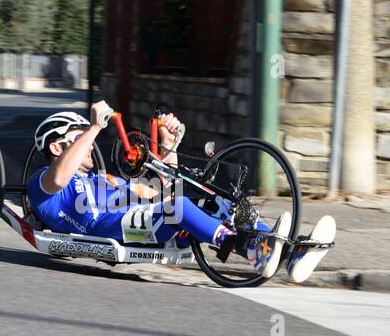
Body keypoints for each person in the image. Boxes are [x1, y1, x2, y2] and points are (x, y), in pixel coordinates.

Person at [27, 101, 294, 278]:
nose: (86, 145)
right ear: (55, 148)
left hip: (142, 222)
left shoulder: (102, 178)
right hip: (112, 229)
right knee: (177, 207)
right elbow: (60, 177)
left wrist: (169, 146)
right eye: (78, 138)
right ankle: (247, 248)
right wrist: (95, 126)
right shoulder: (42, 183)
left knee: (219, 204)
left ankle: (289, 251)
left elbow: (164, 190)